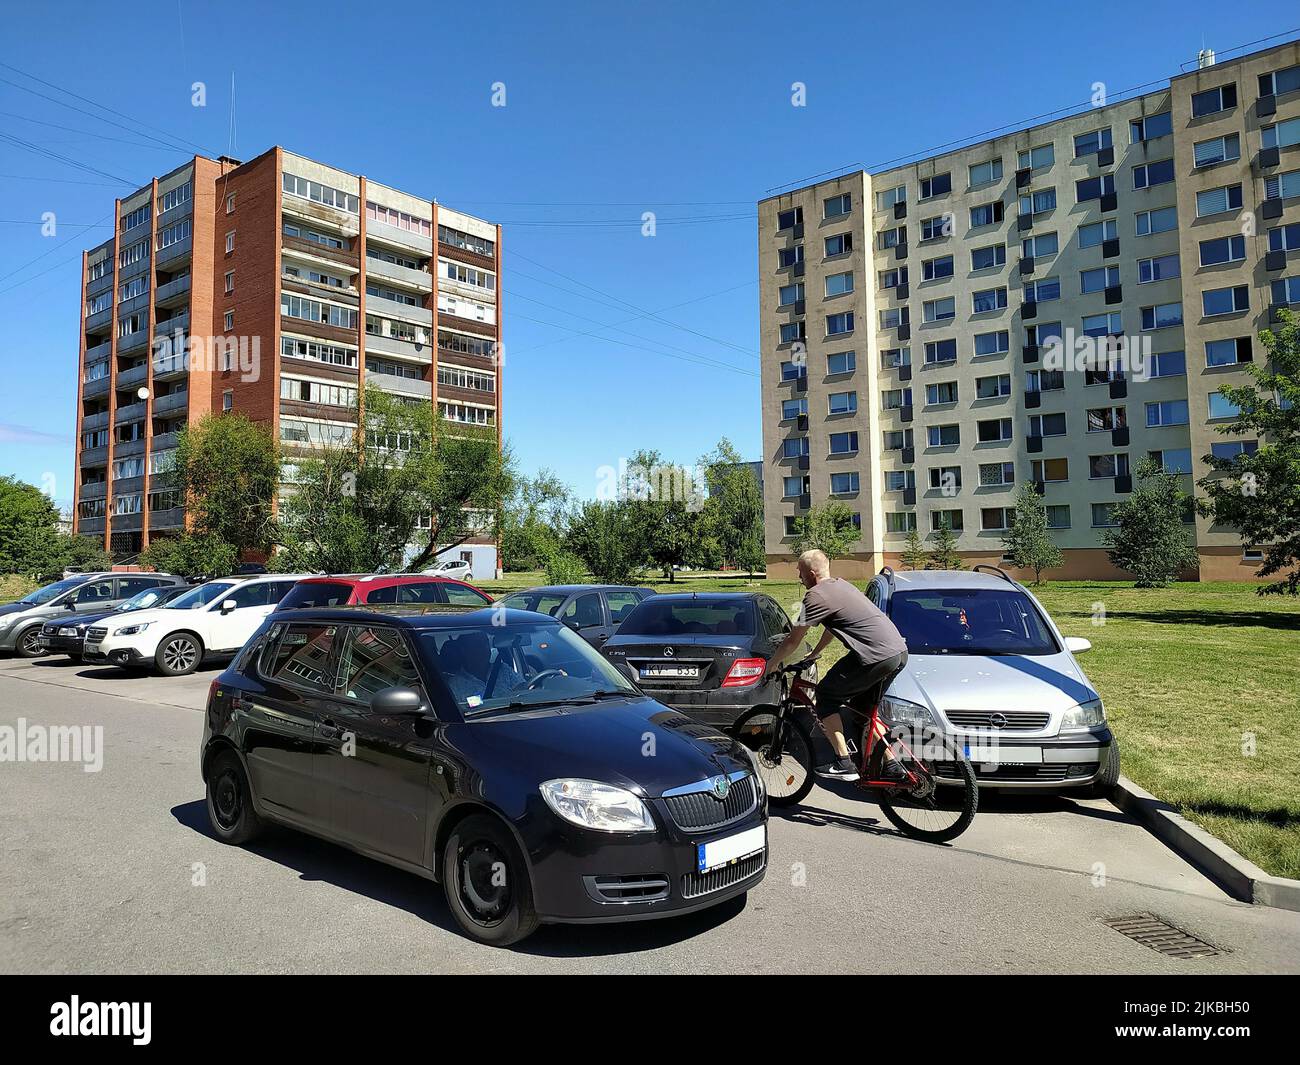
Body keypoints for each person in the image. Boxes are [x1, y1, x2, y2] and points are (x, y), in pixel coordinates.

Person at [767, 549, 909, 781]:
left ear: (811, 574)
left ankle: (844, 762)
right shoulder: (842, 585)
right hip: (898, 653)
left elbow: (793, 639)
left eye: (800, 572)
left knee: (826, 696)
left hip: (873, 655)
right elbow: (832, 626)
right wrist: (815, 653)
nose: (798, 578)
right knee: (864, 713)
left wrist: (772, 665)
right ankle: (892, 763)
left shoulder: (815, 596)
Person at [441, 631, 525, 709]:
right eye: (477, 645)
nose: (484, 648)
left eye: (486, 643)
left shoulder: (503, 670)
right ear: (464, 650)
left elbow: (524, 692)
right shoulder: (455, 684)